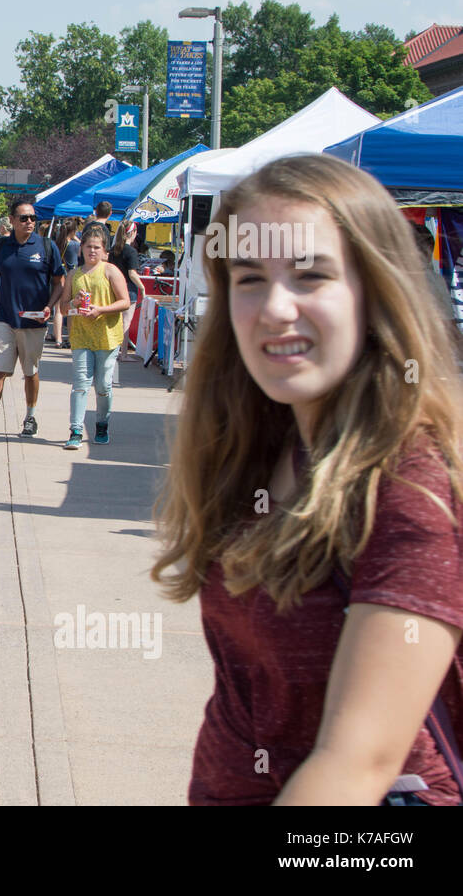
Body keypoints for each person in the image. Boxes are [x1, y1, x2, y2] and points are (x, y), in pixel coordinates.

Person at [152, 154, 463, 806]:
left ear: (375, 290)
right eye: (249, 278)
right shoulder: (266, 448)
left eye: (311, 276)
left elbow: (359, 763)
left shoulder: (409, 488)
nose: (275, 308)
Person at [0, 197, 64, 442]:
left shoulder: (47, 246)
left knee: (30, 372)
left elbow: (59, 282)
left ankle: (30, 417)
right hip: (4, 318)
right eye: (24, 218)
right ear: (12, 220)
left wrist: (49, 307)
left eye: (33, 218)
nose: (29, 222)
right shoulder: (2, 246)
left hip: (34, 322)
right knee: (0, 371)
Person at [61, 223, 129, 450]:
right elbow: (63, 309)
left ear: (104, 251)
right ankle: (76, 430)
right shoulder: (74, 275)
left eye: (97, 247)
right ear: (81, 249)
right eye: (88, 246)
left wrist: (101, 310)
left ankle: (101, 424)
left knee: (103, 385)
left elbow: (125, 302)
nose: (92, 251)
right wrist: (74, 303)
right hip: (81, 336)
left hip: (107, 337)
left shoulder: (111, 271)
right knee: (80, 384)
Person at [110, 220, 146, 362]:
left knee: (115, 322)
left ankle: (114, 350)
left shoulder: (113, 251)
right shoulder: (130, 251)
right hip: (128, 289)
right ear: (133, 233)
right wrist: (142, 288)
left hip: (114, 288)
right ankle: (123, 353)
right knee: (125, 323)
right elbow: (132, 273)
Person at [52, 218, 82, 347]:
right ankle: (70, 338)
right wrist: (76, 238)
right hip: (70, 275)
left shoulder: (58, 243)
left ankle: (58, 338)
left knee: (58, 309)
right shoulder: (75, 245)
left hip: (59, 275)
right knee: (70, 308)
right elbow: (81, 253)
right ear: (73, 231)